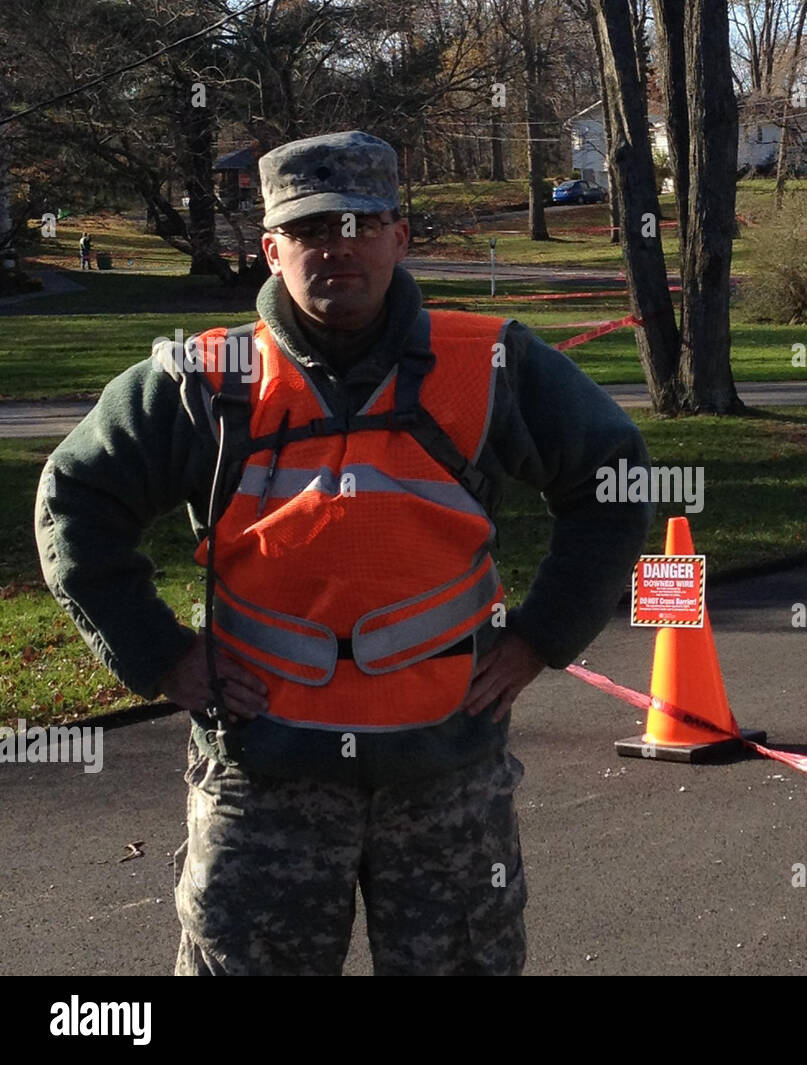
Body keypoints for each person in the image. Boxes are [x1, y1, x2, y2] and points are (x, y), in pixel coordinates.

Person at [35, 130, 654, 975]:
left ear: (401, 236)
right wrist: (161, 656)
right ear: (270, 247)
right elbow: (75, 499)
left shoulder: (490, 362)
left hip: (448, 779)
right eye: (312, 227)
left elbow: (613, 480)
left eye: (363, 223)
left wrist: (542, 636)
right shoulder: (202, 380)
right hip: (263, 782)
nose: (340, 246)